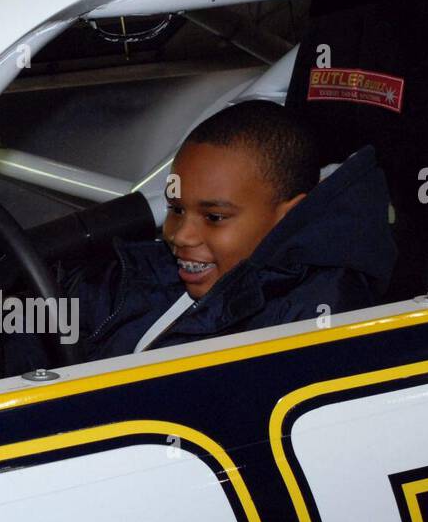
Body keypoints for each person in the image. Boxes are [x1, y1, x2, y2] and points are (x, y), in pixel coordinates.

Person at [45, 99, 397, 364]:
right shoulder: (155, 275)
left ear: (288, 218)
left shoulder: (310, 326)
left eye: (213, 217)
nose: (181, 235)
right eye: (176, 209)